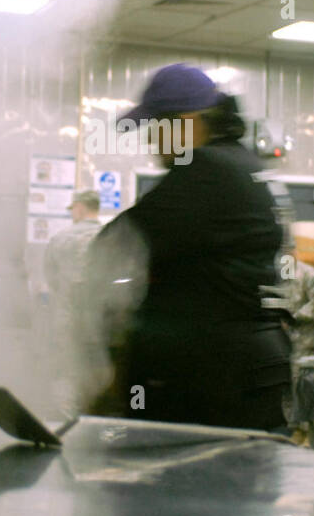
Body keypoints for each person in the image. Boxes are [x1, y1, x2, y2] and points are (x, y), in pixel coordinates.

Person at [80, 64, 292, 430]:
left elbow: (112, 245)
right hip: (254, 370)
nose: (151, 141)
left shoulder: (203, 170)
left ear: (189, 120)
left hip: (211, 386)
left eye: (156, 128)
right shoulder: (246, 164)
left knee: (190, 486)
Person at [44, 190, 104, 406]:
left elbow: (50, 278)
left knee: (67, 374)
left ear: (79, 207)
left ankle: (66, 422)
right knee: (97, 375)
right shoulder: (109, 236)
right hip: (100, 323)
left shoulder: (61, 239)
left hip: (67, 320)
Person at [276, 245, 314, 445]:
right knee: (287, 388)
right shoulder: (282, 277)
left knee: (303, 387)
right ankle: (294, 429)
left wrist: (294, 317)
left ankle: (307, 432)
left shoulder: (310, 274)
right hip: (283, 343)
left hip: (304, 343)